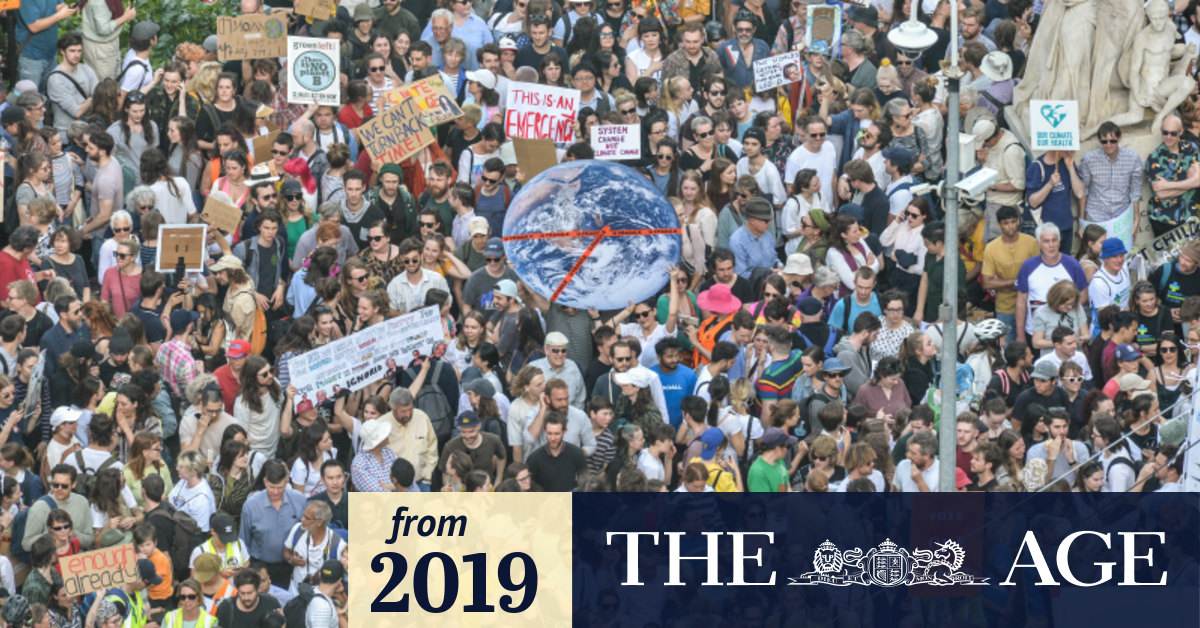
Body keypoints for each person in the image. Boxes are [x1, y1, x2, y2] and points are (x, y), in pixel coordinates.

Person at [524, 412, 587, 492]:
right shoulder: (534, 459)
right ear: (544, 431)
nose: (553, 438)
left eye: (557, 434)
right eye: (549, 433)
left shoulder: (576, 454)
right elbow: (530, 488)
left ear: (564, 431)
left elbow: (585, 483)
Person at [747, 428, 796, 492]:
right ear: (778, 448)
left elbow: (786, 484)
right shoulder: (757, 472)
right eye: (788, 446)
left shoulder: (780, 461)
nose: (787, 450)